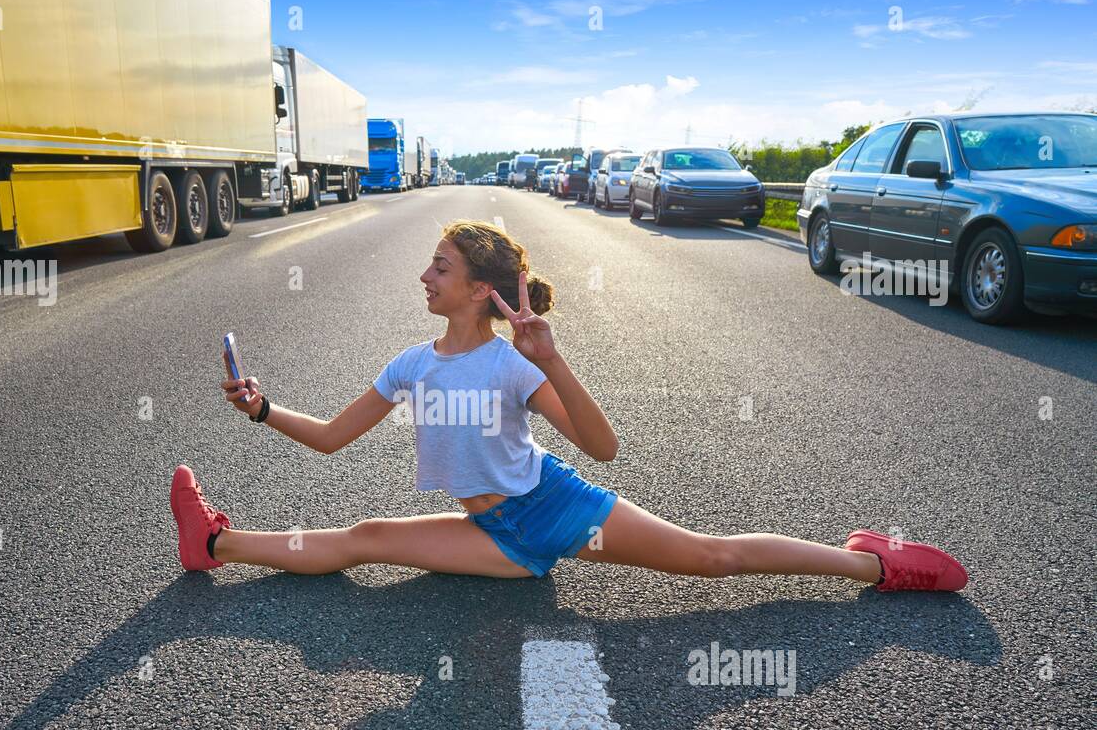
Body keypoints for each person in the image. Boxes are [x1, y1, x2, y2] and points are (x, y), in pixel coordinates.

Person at [170, 220, 967, 592]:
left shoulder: (511, 363)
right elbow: (334, 438)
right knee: (366, 537)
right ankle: (216, 542)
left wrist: (552, 357)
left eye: (439, 267)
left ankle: (872, 561)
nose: (424, 275)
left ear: (481, 289)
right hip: (496, 537)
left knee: (711, 559)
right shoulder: (412, 363)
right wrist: (261, 405)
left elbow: (604, 445)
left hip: (554, 508)